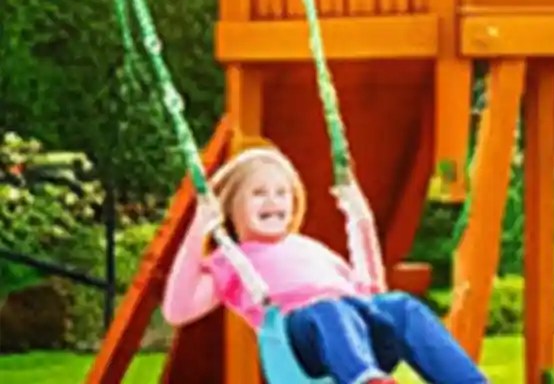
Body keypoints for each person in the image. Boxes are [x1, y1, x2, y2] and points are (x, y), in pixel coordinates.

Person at [162, 140, 487, 384]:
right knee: (327, 309)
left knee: (401, 306)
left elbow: (369, 295)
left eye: (282, 192)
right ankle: (366, 380)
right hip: (298, 343)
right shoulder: (232, 258)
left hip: (353, 332)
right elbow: (178, 309)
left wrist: (361, 221)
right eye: (259, 193)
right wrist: (197, 228)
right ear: (230, 205)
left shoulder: (312, 249)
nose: (273, 201)